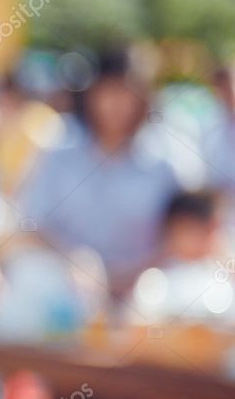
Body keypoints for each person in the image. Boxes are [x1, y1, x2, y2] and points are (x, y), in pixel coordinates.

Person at [20, 50, 180, 296]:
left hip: (145, 291)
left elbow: (185, 235)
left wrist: (135, 276)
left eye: (127, 92)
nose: (117, 103)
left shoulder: (164, 164)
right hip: (67, 288)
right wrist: (73, 262)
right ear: (91, 95)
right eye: (108, 91)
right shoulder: (59, 154)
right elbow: (31, 225)